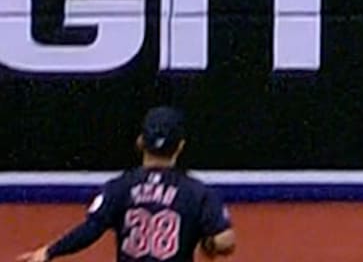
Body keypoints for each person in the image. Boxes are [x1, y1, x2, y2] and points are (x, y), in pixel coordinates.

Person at [15, 107, 236, 262]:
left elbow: (90, 229)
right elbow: (225, 241)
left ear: (140, 142)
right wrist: (209, 243)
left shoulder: (120, 187)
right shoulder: (198, 192)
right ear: (180, 146)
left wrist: (49, 252)